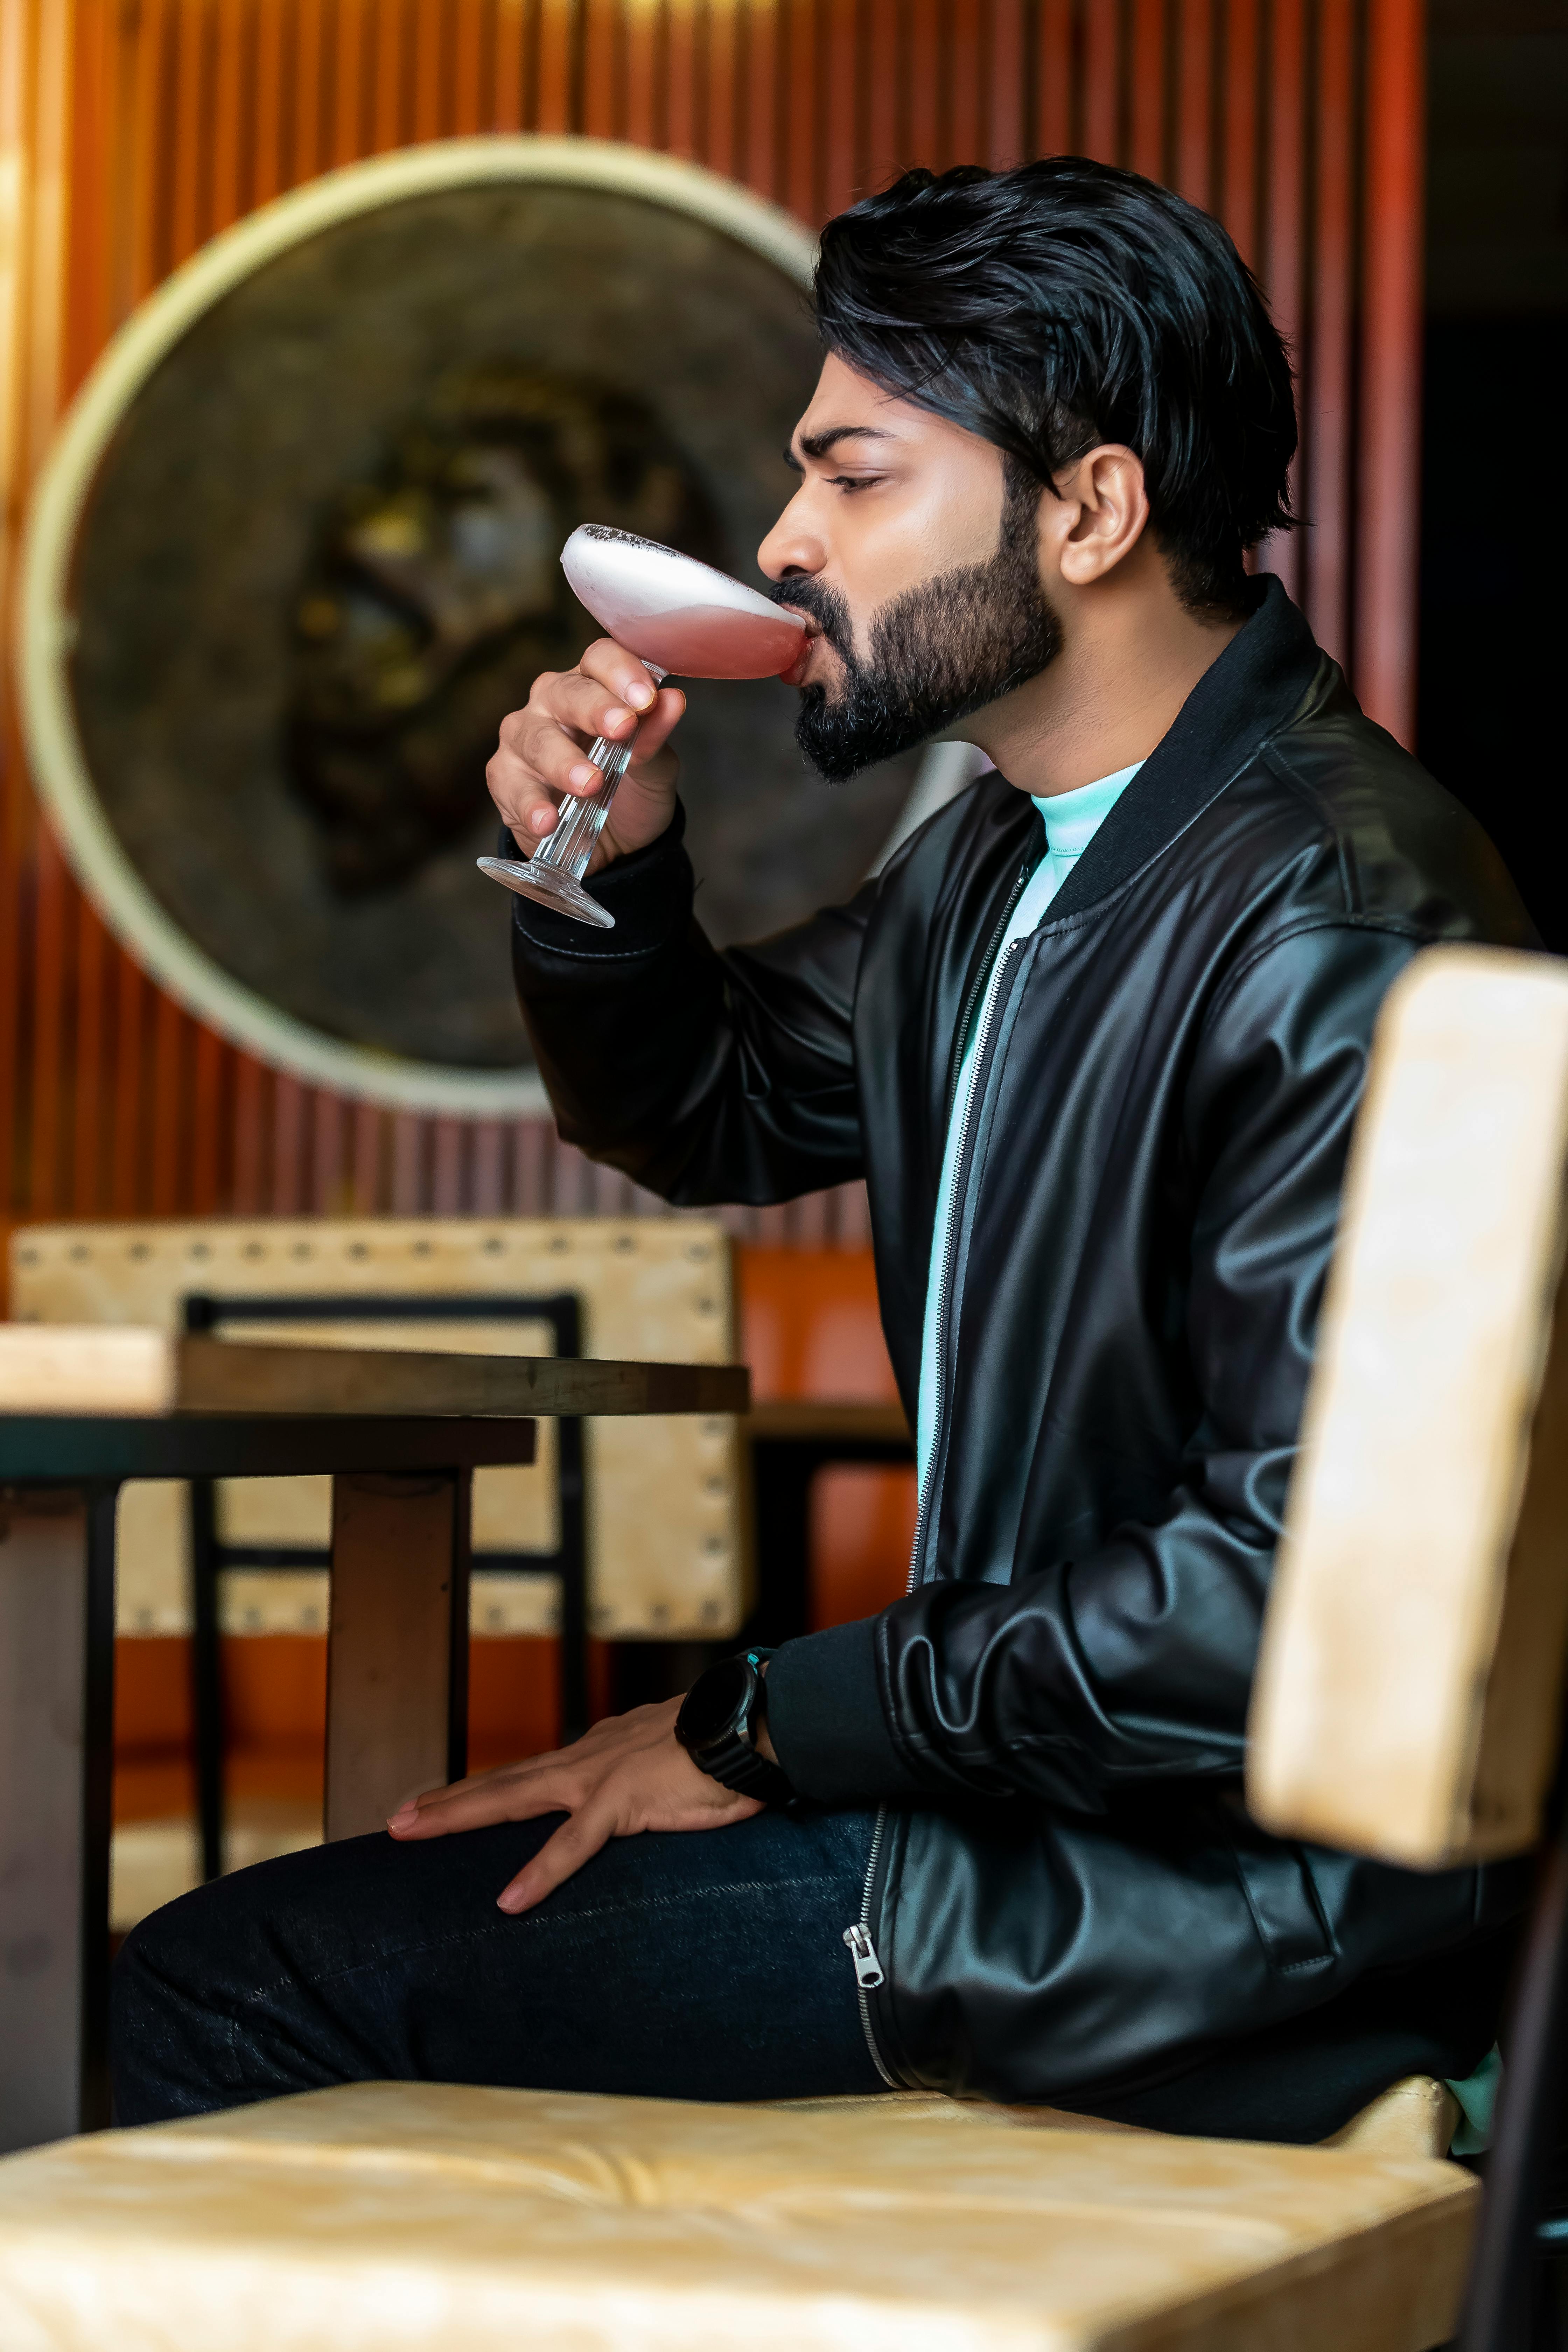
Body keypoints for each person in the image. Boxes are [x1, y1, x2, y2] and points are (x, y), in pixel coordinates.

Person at [114, 158, 1532, 2140]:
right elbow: (709, 1102)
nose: (785, 541)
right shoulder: (1001, 865)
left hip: (1207, 1918)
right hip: (1028, 1830)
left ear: (1094, 508)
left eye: (855, 475)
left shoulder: (1336, 914)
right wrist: (596, 890)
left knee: (210, 1995)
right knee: (307, 1953)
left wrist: (774, 1723)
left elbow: (1292, 1605)